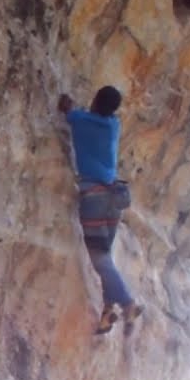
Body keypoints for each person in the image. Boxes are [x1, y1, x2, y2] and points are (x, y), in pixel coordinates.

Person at [58, 85, 142, 335]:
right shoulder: (113, 125)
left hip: (94, 194)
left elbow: (68, 111)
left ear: (95, 100)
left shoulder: (81, 121)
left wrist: (68, 105)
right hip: (115, 197)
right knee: (105, 255)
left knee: (99, 257)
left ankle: (128, 304)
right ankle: (108, 313)